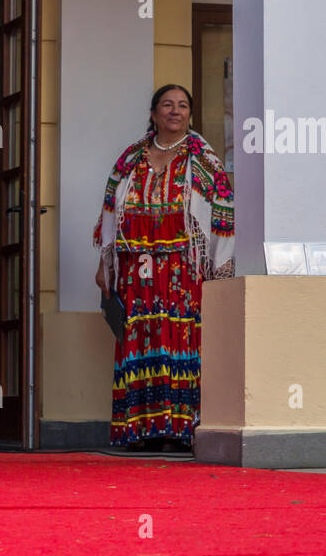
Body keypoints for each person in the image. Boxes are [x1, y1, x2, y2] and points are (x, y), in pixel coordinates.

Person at [93, 84, 235, 452]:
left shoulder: (204, 161)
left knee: (181, 343)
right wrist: (105, 264)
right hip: (136, 272)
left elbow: (222, 216)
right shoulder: (129, 159)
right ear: (153, 113)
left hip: (183, 273)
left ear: (190, 114)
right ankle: (139, 430)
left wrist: (221, 274)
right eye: (167, 105)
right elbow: (111, 211)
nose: (175, 111)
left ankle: (181, 430)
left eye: (183, 105)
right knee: (139, 342)